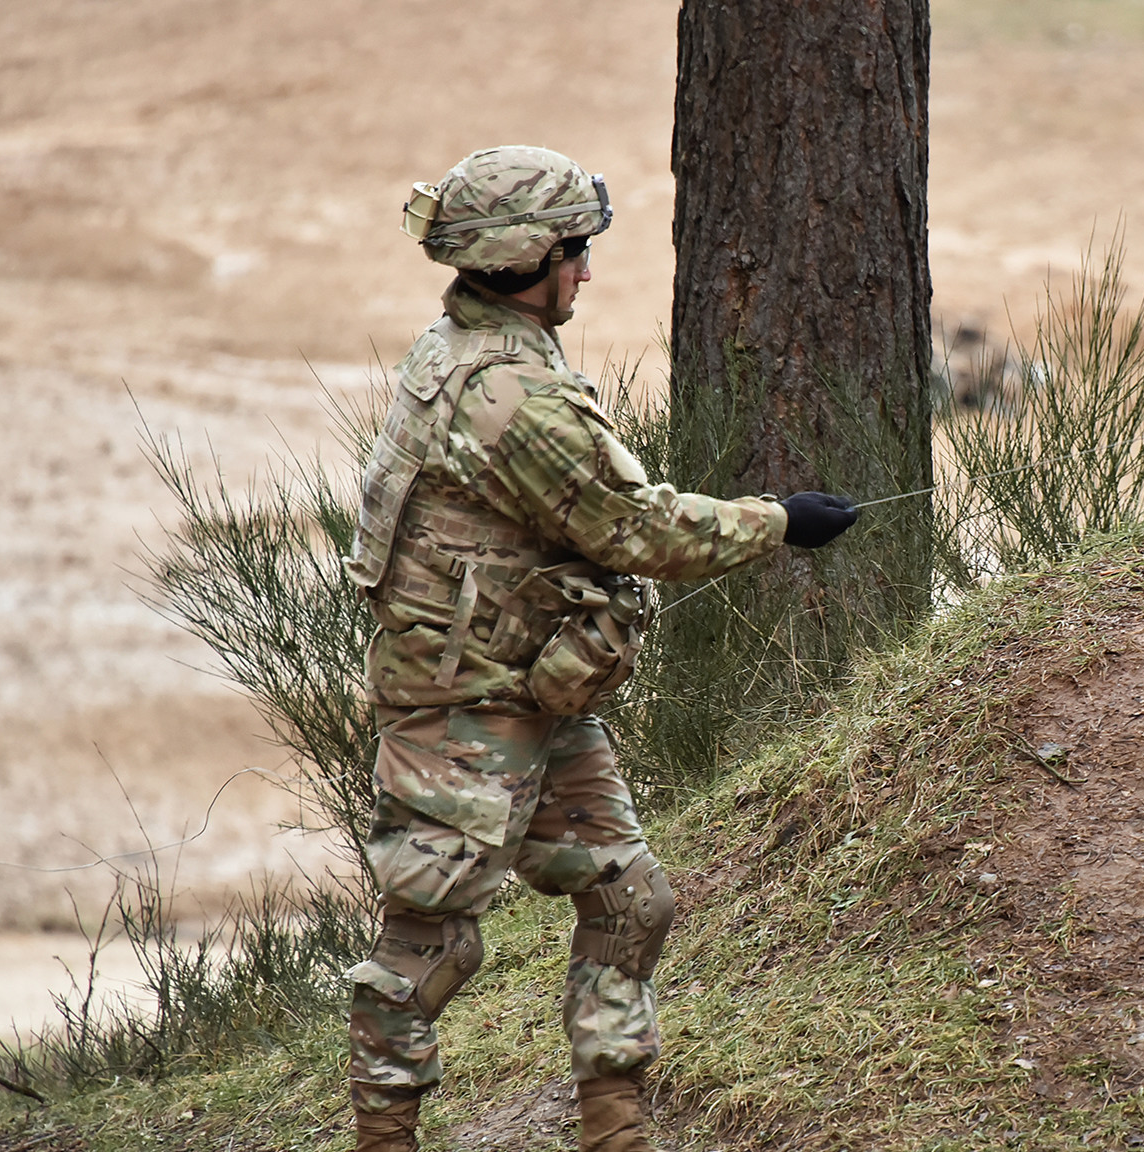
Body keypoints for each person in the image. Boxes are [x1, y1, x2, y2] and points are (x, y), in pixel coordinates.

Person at [341, 145, 860, 1152]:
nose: (586, 271)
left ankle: (614, 1133)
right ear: (521, 259)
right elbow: (636, 530)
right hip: (461, 713)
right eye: (573, 250)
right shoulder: (509, 396)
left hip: (532, 695)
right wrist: (780, 523)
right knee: (425, 946)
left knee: (631, 902)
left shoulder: (468, 348)